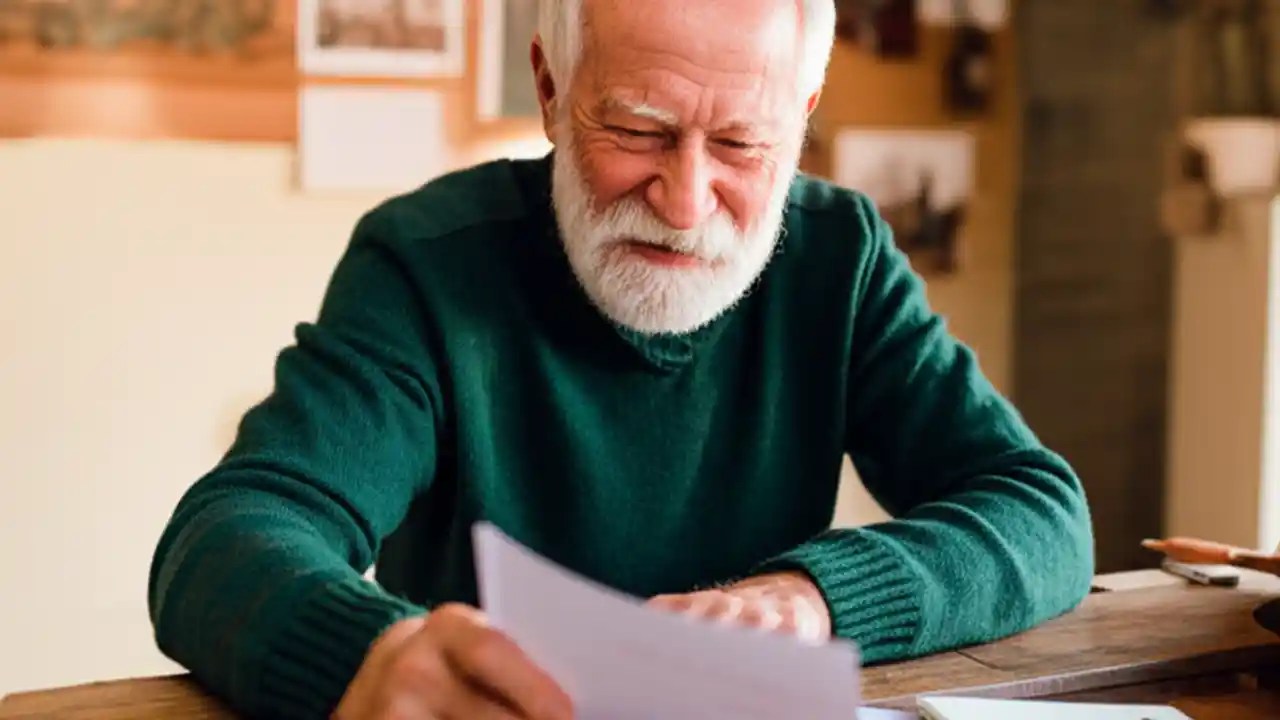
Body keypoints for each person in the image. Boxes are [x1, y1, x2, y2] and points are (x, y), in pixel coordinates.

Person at [148, 0, 1095, 718]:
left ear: (801, 117)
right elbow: (225, 538)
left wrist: (812, 601)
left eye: (741, 144)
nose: (686, 203)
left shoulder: (838, 256)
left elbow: (1040, 511)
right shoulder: (425, 263)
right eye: (638, 130)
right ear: (552, 93)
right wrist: (372, 656)